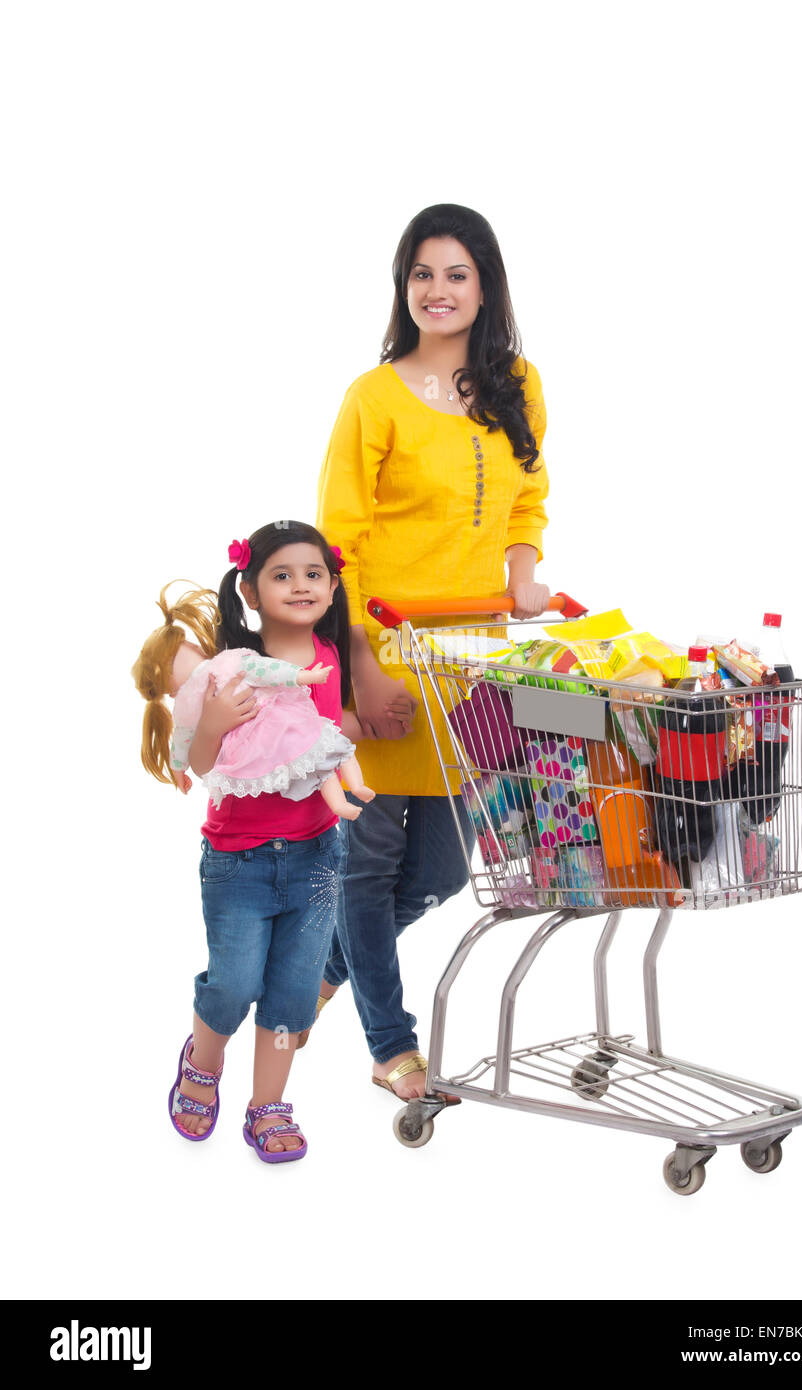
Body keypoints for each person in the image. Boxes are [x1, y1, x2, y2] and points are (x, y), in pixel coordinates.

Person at [315, 203, 552, 1100]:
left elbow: (528, 500)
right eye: (422, 274)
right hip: (380, 661)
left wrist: (523, 572)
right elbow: (341, 542)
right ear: (402, 286)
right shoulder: (372, 398)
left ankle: (326, 966)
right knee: (369, 864)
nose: (437, 291)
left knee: (448, 869)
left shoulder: (519, 384)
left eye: (456, 273)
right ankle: (390, 1047)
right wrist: (363, 668)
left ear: (484, 284)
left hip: (470, 670)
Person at [132, 521, 388, 1162]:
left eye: (313, 574)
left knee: (295, 992)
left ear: (332, 586)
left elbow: (323, 729)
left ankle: (267, 1105)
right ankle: (204, 1059)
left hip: (318, 854)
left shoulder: (328, 658)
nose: (301, 586)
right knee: (233, 983)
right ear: (248, 588)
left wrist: (375, 718)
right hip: (239, 860)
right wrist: (215, 721)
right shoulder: (231, 666)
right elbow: (200, 758)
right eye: (282, 574)